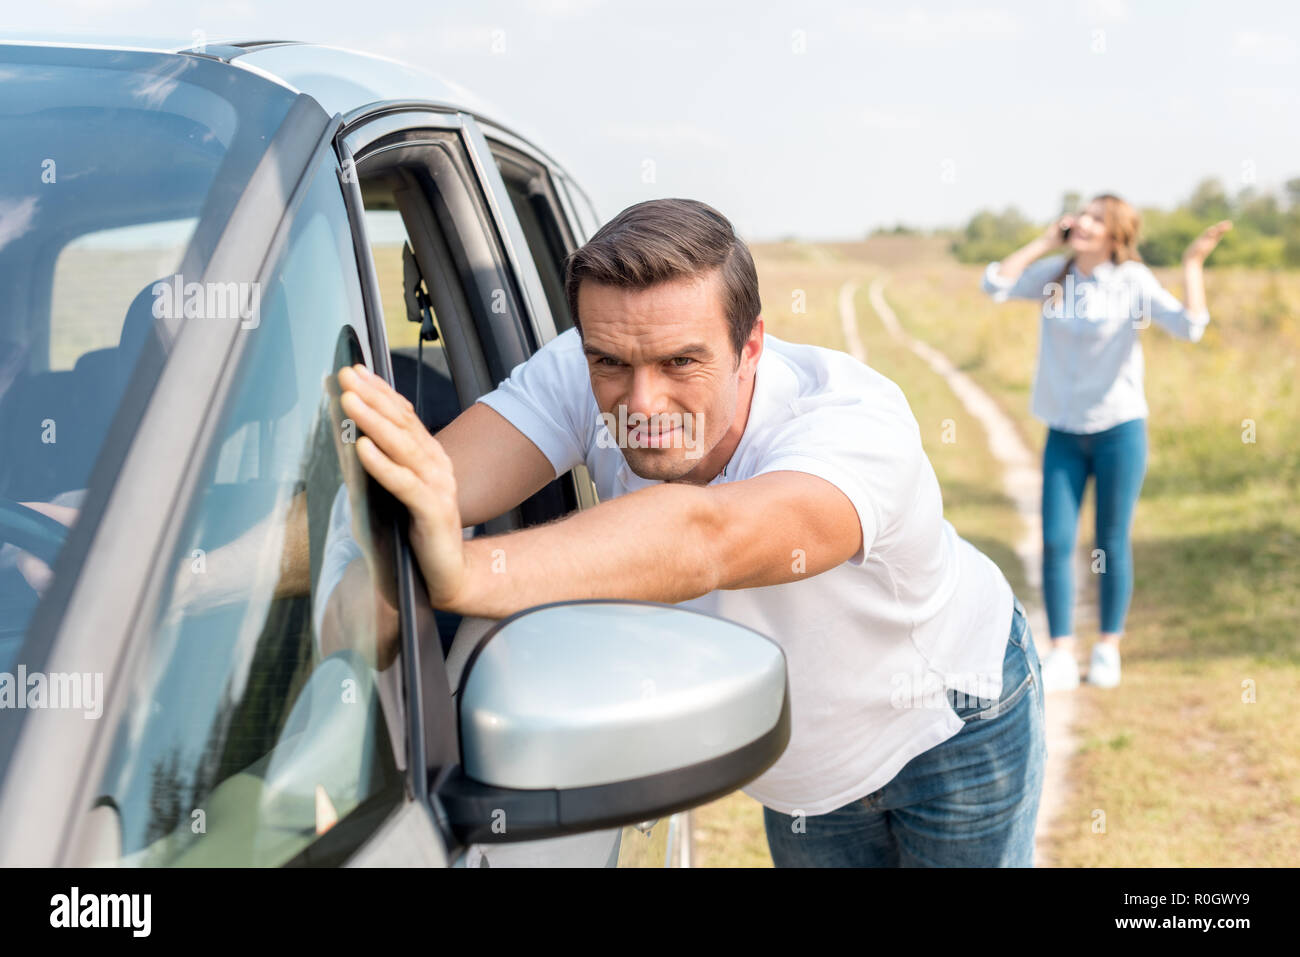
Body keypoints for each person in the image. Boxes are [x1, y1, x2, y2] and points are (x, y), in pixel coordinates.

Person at [338, 197, 1046, 867]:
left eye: (682, 361)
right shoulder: (580, 370)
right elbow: (419, 488)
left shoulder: (854, 424)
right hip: (798, 767)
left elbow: (708, 536)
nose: (641, 402)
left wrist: (464, 573)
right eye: (609, 362)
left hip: (947, 724)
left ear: (751, 346)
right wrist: (229, 568)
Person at [981, 194, 1231, 691]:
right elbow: (996, 285)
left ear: (1116, 234)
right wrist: (1045, 241)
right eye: (1083, 215)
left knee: (1110, 542)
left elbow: (1189, 327)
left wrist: (1192, 263)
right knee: (1055, 540)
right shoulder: (1055, 274)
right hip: (1064, 433)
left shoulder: (1131, 281)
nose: (1085, 223)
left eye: (1098, 218)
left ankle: (1107, 648)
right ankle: (1060, 650)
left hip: (1119, 431)